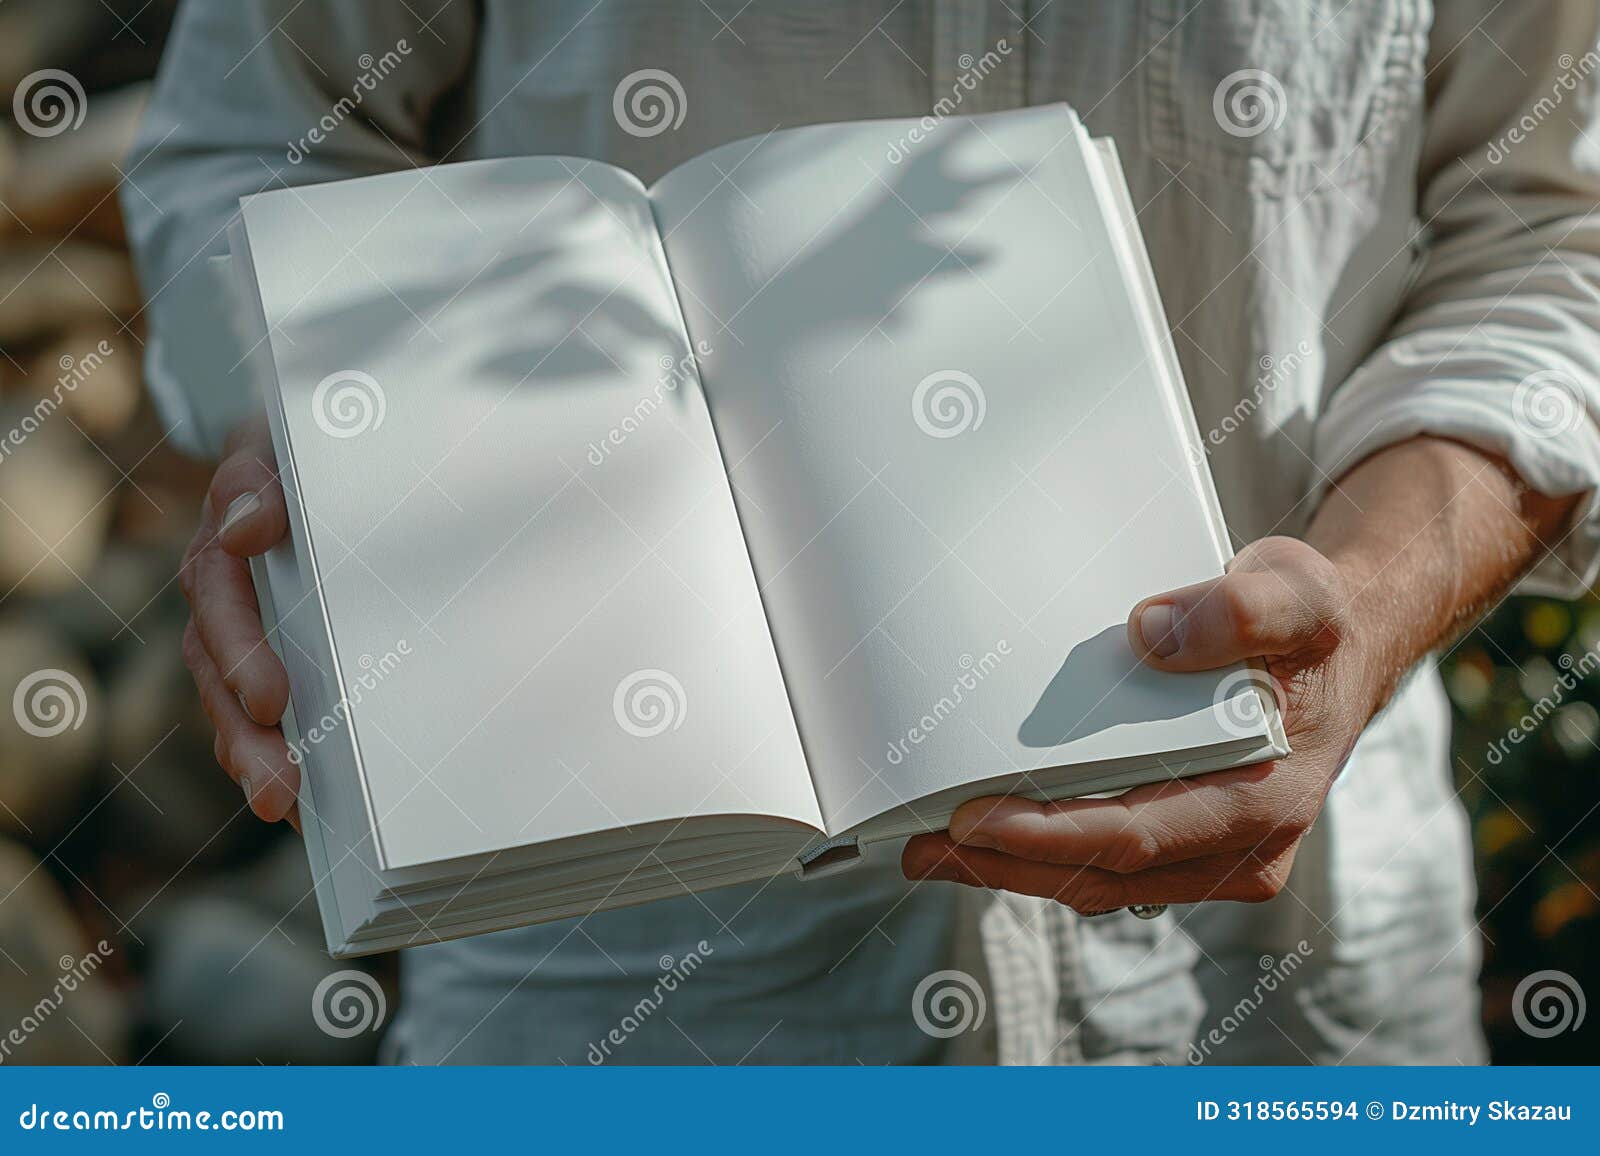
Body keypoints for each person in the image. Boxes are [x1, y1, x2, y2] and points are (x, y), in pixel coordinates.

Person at [124, 1, 1600, 1064]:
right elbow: (248, 148)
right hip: (623, 978)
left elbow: (1555, 232)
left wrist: (1369, 604)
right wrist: (304, 458)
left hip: (1292, 988)